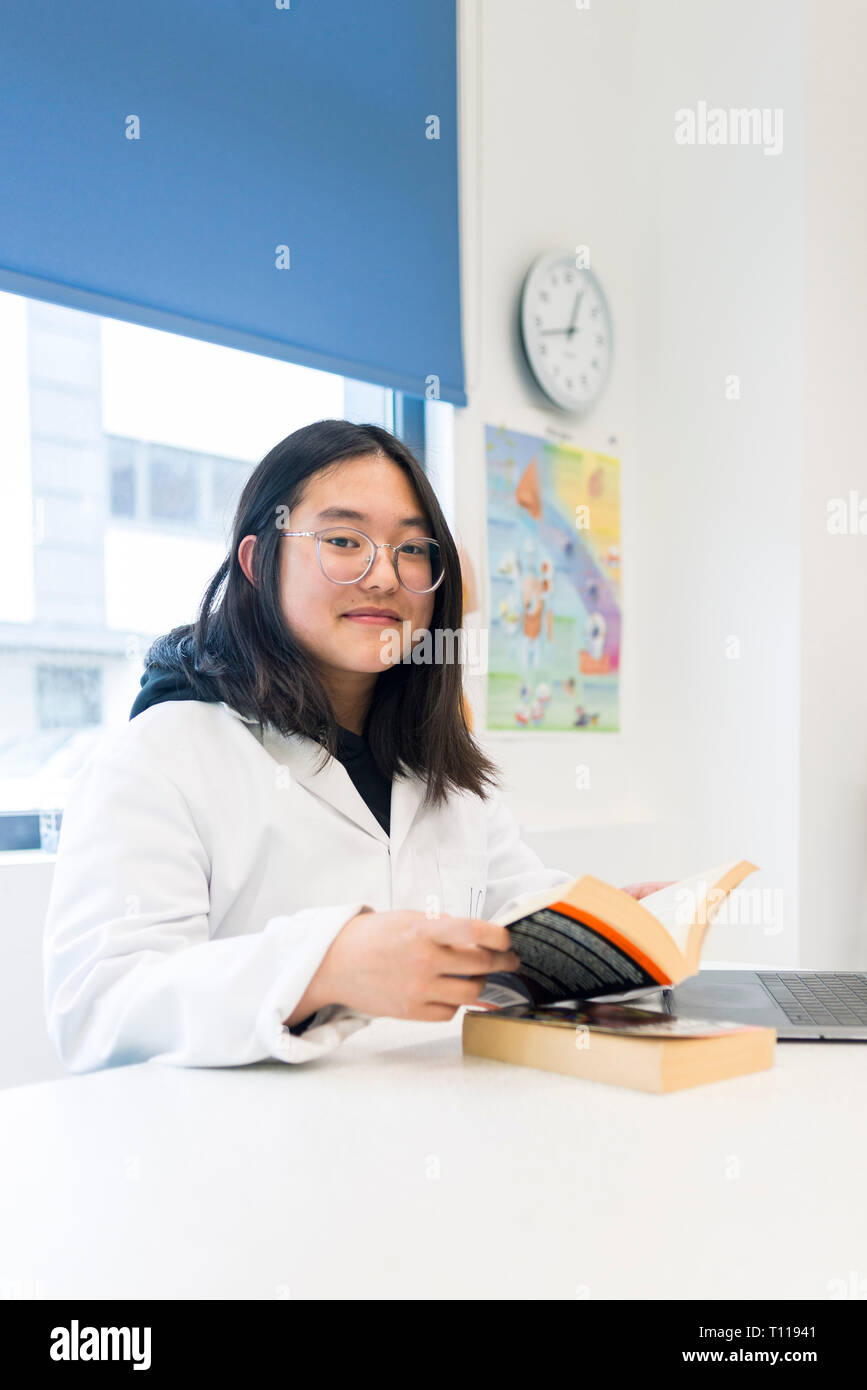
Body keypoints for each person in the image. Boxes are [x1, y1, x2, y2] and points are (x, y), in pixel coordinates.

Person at [43, 419, 668, 1073]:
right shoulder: (158, 758)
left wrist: (597, 924)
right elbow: (100, 1007)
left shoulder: (437, 767)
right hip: (250, 1156)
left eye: (413, 548)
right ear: (257, 562)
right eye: (344, 540)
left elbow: (507, 907)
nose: (383, 577)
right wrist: (324, 967)